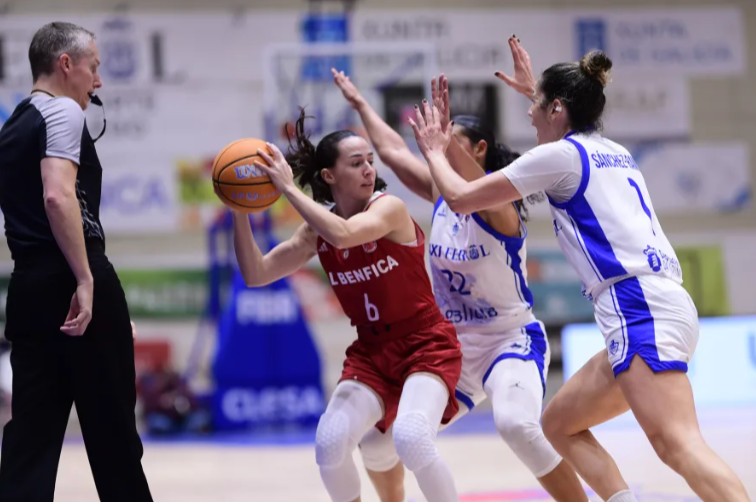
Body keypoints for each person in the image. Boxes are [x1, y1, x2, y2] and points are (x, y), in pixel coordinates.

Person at [408, 36, 750, 502]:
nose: (529, 114)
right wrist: (536, 90)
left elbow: (463, 197)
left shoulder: (560, 157)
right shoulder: (614, 151)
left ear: (558, 110)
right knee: (558, 424)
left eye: (537, 106)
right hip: (659, 302)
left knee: (677, 445)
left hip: (637, 306)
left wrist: (434, 149)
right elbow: (566, 123)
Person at [331, 68, 588, 502]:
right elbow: (393, 150)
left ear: (478, 150)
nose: (438, 147)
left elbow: (462, 180)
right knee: (378, 440)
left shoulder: (504, 206)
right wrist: (361, 105)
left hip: (510, 340)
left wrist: (440, 139)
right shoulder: (441, 194)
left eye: (450, 140)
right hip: (453, 347)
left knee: (516, 424)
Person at [231, 109, 463, 502]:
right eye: (357, 163)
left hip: (424, 344)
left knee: (411, 439)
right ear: (329, 176)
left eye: (370, 161)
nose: (369, 170)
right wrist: (238, 210)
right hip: (371, 353)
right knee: (330, 442)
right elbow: (256, 274)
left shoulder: (388, 209)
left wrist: (288, 189)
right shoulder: (315, 230)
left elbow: (343, 236)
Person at [0, 22, 153, 502]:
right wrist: (88, 282)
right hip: (73, 275)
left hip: (28, 285)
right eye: (94, 67)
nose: (97, 81)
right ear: (66, 64)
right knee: (113, 431)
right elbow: (58, 197)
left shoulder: (11, 125)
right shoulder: (63, 110)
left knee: (31, 435)